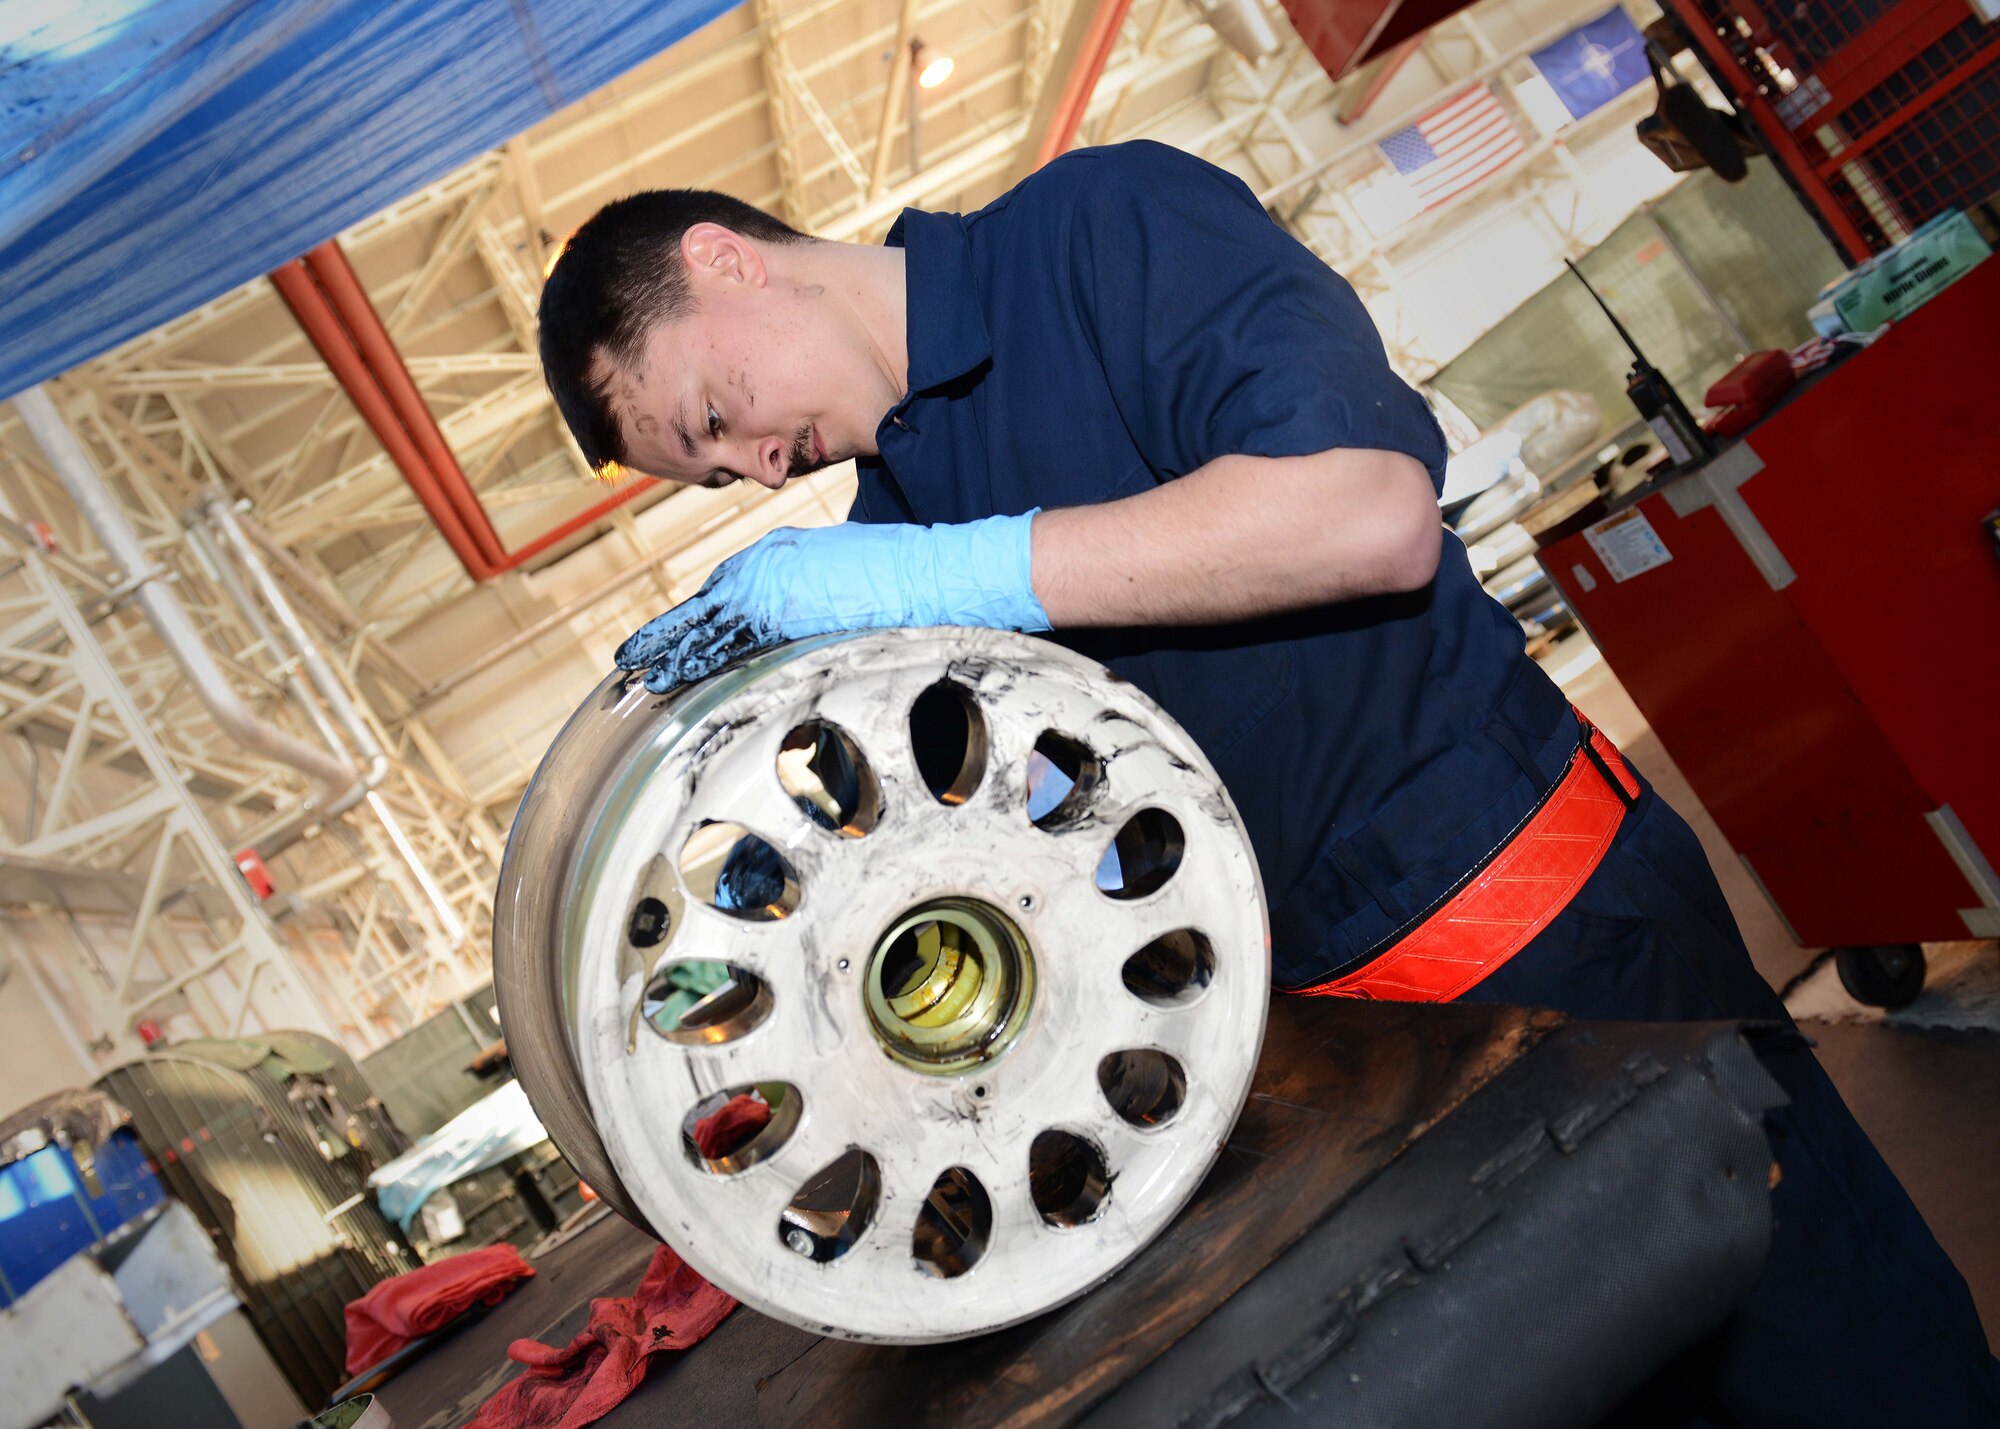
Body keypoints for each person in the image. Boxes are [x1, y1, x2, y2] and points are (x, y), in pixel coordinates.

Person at [537, 141, 1998, 1422]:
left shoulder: (1102, 232)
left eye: (715, 414)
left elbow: (1365, 516)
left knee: (1838, 1359)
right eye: (715, 475)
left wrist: (940, 572)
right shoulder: (887, 526)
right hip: (1330, 1083)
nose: (754, 465)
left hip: (1558, 943)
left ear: (724, 260)